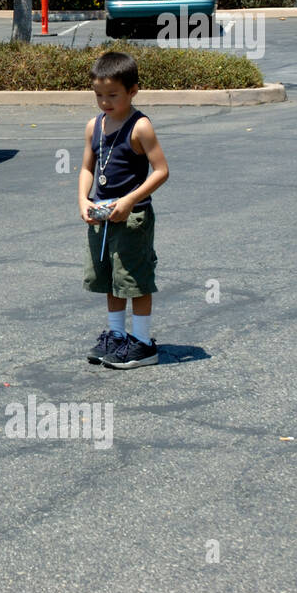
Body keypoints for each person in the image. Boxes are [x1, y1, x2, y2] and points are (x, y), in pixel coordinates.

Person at [79, 50, 170, 369]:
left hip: (132, 217)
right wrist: (83, 199)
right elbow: (87, 167)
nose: (105, 102)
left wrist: (130, 200)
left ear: (133, 91)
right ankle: (117, 336)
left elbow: (161, 170)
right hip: (102, 215)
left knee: (133, 278)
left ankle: (143, 343)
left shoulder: (140, 127)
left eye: (112, 95)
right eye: (99, 95)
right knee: (110, 278)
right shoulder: (95, 125)